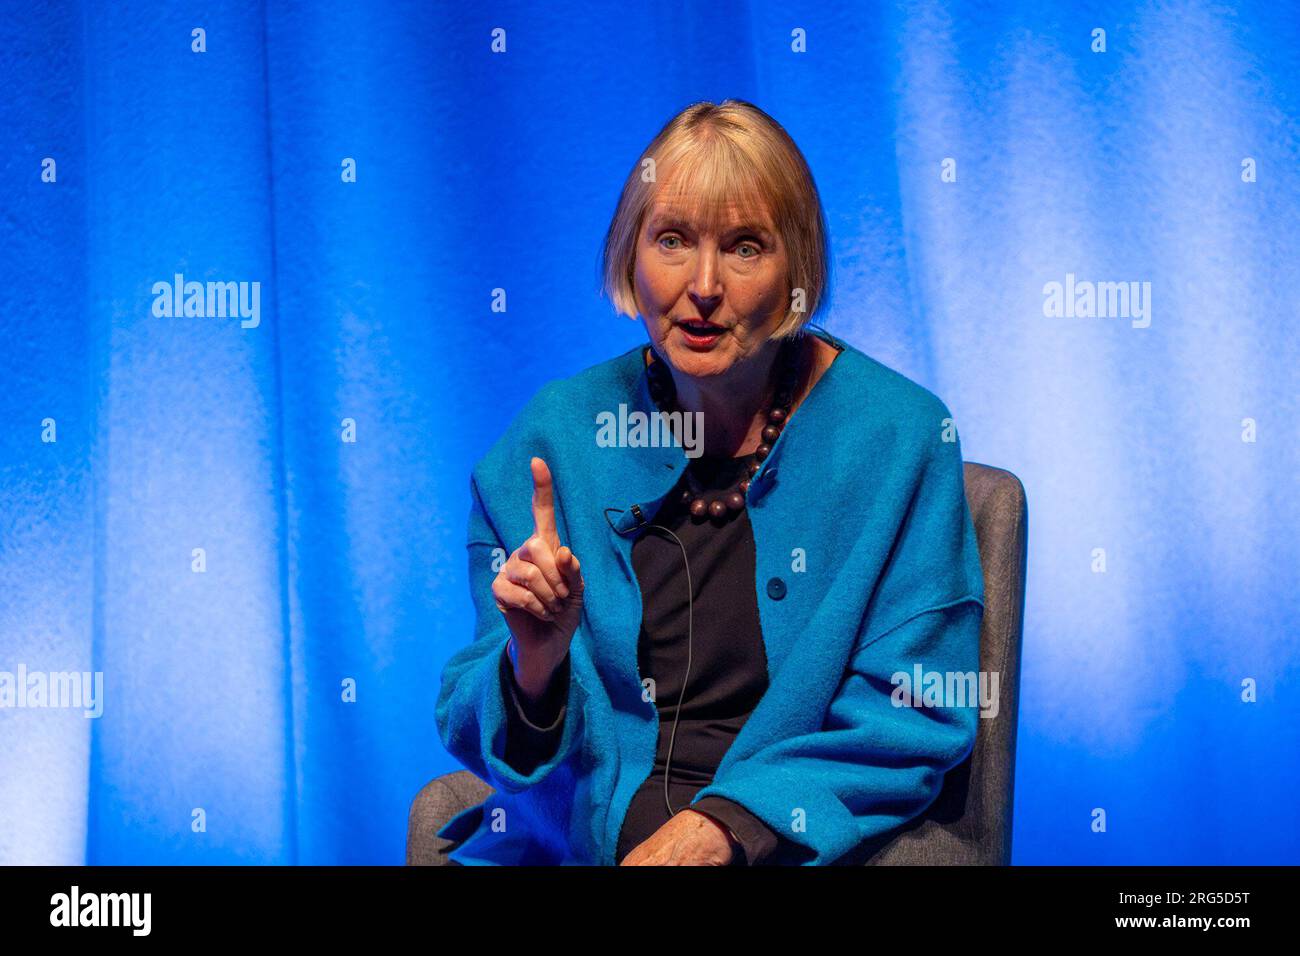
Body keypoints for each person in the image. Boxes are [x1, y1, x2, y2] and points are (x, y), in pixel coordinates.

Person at [435, 99, 985, 865]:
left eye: (745, 247)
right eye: (671, 240)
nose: (701, 284)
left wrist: (725, 828)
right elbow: (471, 723)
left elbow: (917, 710)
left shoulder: (899, 439)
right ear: (630, 254)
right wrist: (534, 665)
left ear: (797, 268)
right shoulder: (555, 438)